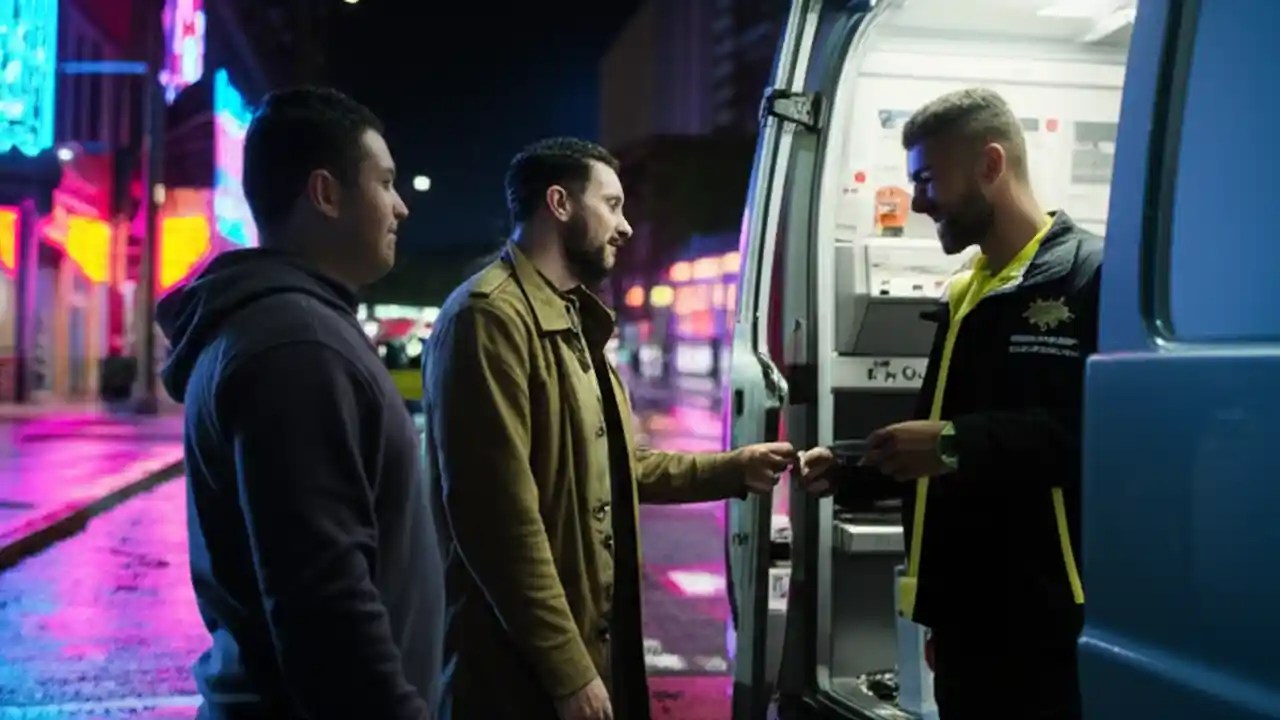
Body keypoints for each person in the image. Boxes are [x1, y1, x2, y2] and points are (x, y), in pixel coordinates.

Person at [423, 137, 797, 720]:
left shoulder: (573, 318)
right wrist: (568, 669)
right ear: (559, 203)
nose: (625, 227)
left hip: (589, 647)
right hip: (516, 677)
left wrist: (736, 468)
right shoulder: (489, 317)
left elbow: (621, 464)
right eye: (612, 205)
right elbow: (496, 521)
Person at [800, 88, 1102, 719]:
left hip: (1052, 626)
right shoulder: (969, 288)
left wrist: (953, 443)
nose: (918, 202)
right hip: (968, 620)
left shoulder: (1090, 276)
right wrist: (854, 467)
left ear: (991, 164)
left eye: (927, 179)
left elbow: (1101, 438)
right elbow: (953, 444)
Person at [157, 87, 443, 720]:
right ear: (326, 194)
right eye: (385, 183)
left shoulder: (293, 329)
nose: (400, 206)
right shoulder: (298, 345)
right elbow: (326, 607)